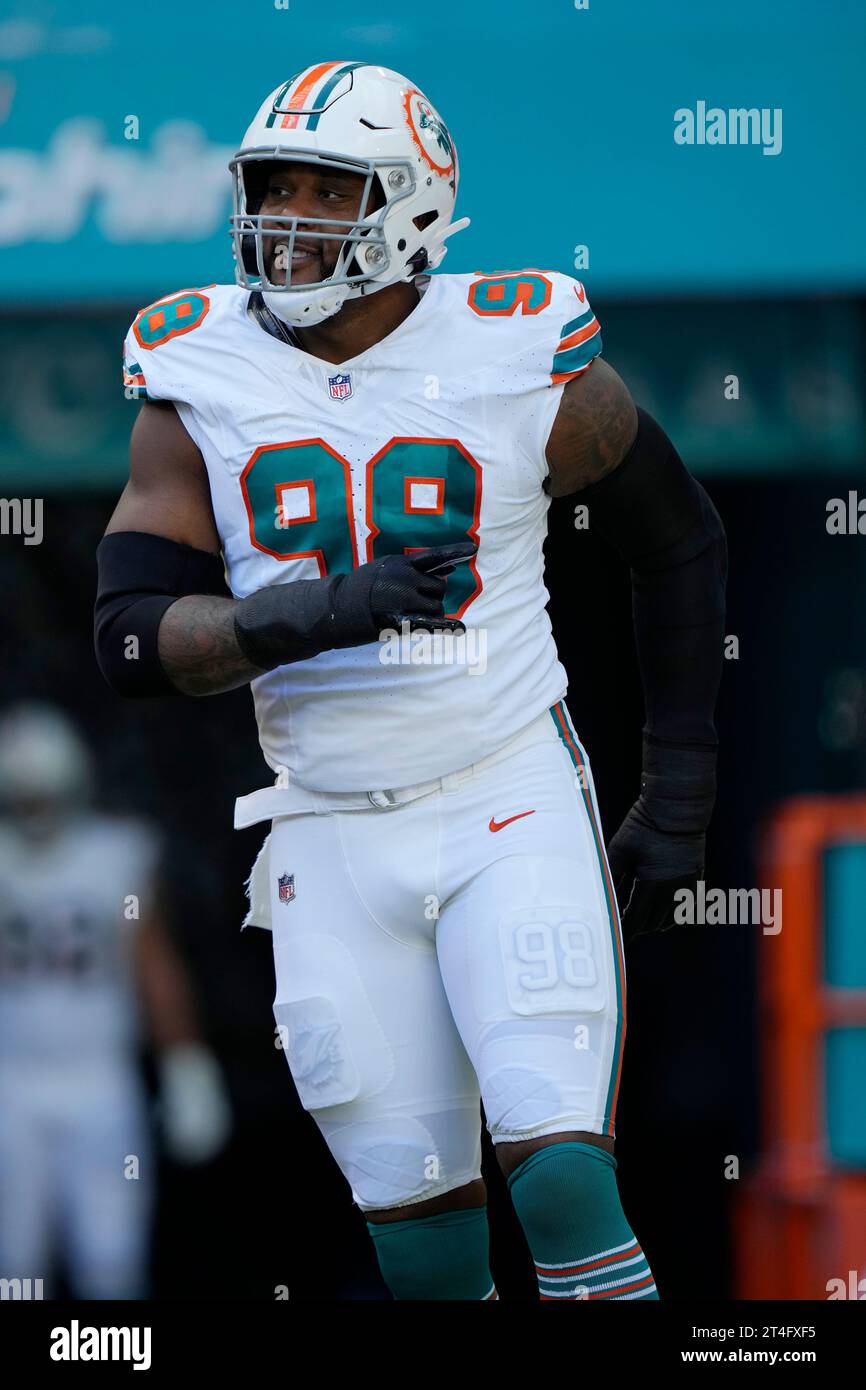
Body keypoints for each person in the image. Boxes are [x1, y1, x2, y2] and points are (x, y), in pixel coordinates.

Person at [95, 61, 726, 1301]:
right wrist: (323, 611)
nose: (283, 215)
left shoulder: (516, 340)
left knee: (555, 1175)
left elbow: (678, 535)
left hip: (503, 794)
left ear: (410, 203)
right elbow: (125, 639)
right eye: (267, 184)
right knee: (423, 1253)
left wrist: (682, 787)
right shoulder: (194, 362)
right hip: (321, 830)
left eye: (323, 190)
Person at [0, 703, 231, 1298]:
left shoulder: (115, 853)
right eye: (24, 799)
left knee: (111, 1256)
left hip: (99, 1077)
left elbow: (152, 964)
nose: (36, 813)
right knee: (15, 1265)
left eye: (43, 796)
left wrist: (186, 1065)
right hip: (13, 1079)